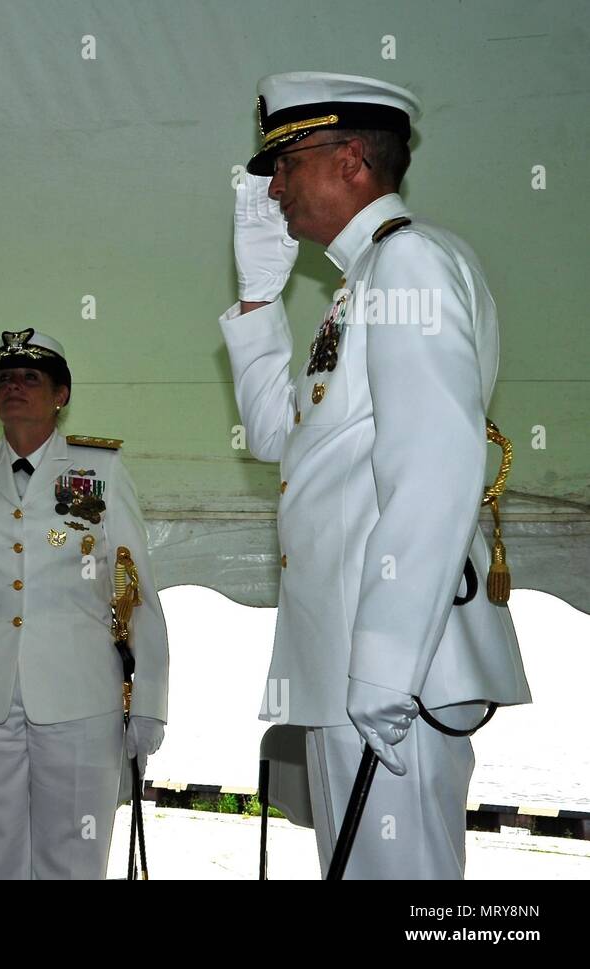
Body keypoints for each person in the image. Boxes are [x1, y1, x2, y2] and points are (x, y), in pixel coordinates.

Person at [219, 72, 530, 878]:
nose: (274, 187)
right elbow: (275, 439)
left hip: (394, 664)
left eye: (287, 163)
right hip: (352, 661)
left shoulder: (411, 264)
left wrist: (387, 661)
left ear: (352, 158)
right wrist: (258, 302)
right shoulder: (360, 284)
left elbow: (436, 465)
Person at [0, 329, 169, 879]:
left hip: (80, 693)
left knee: (73, 855)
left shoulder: (101, 469)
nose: (14, 387)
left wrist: (149, 698)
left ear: (61, 394)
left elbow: (134, 588)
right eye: (4, 378)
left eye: (30, 377)